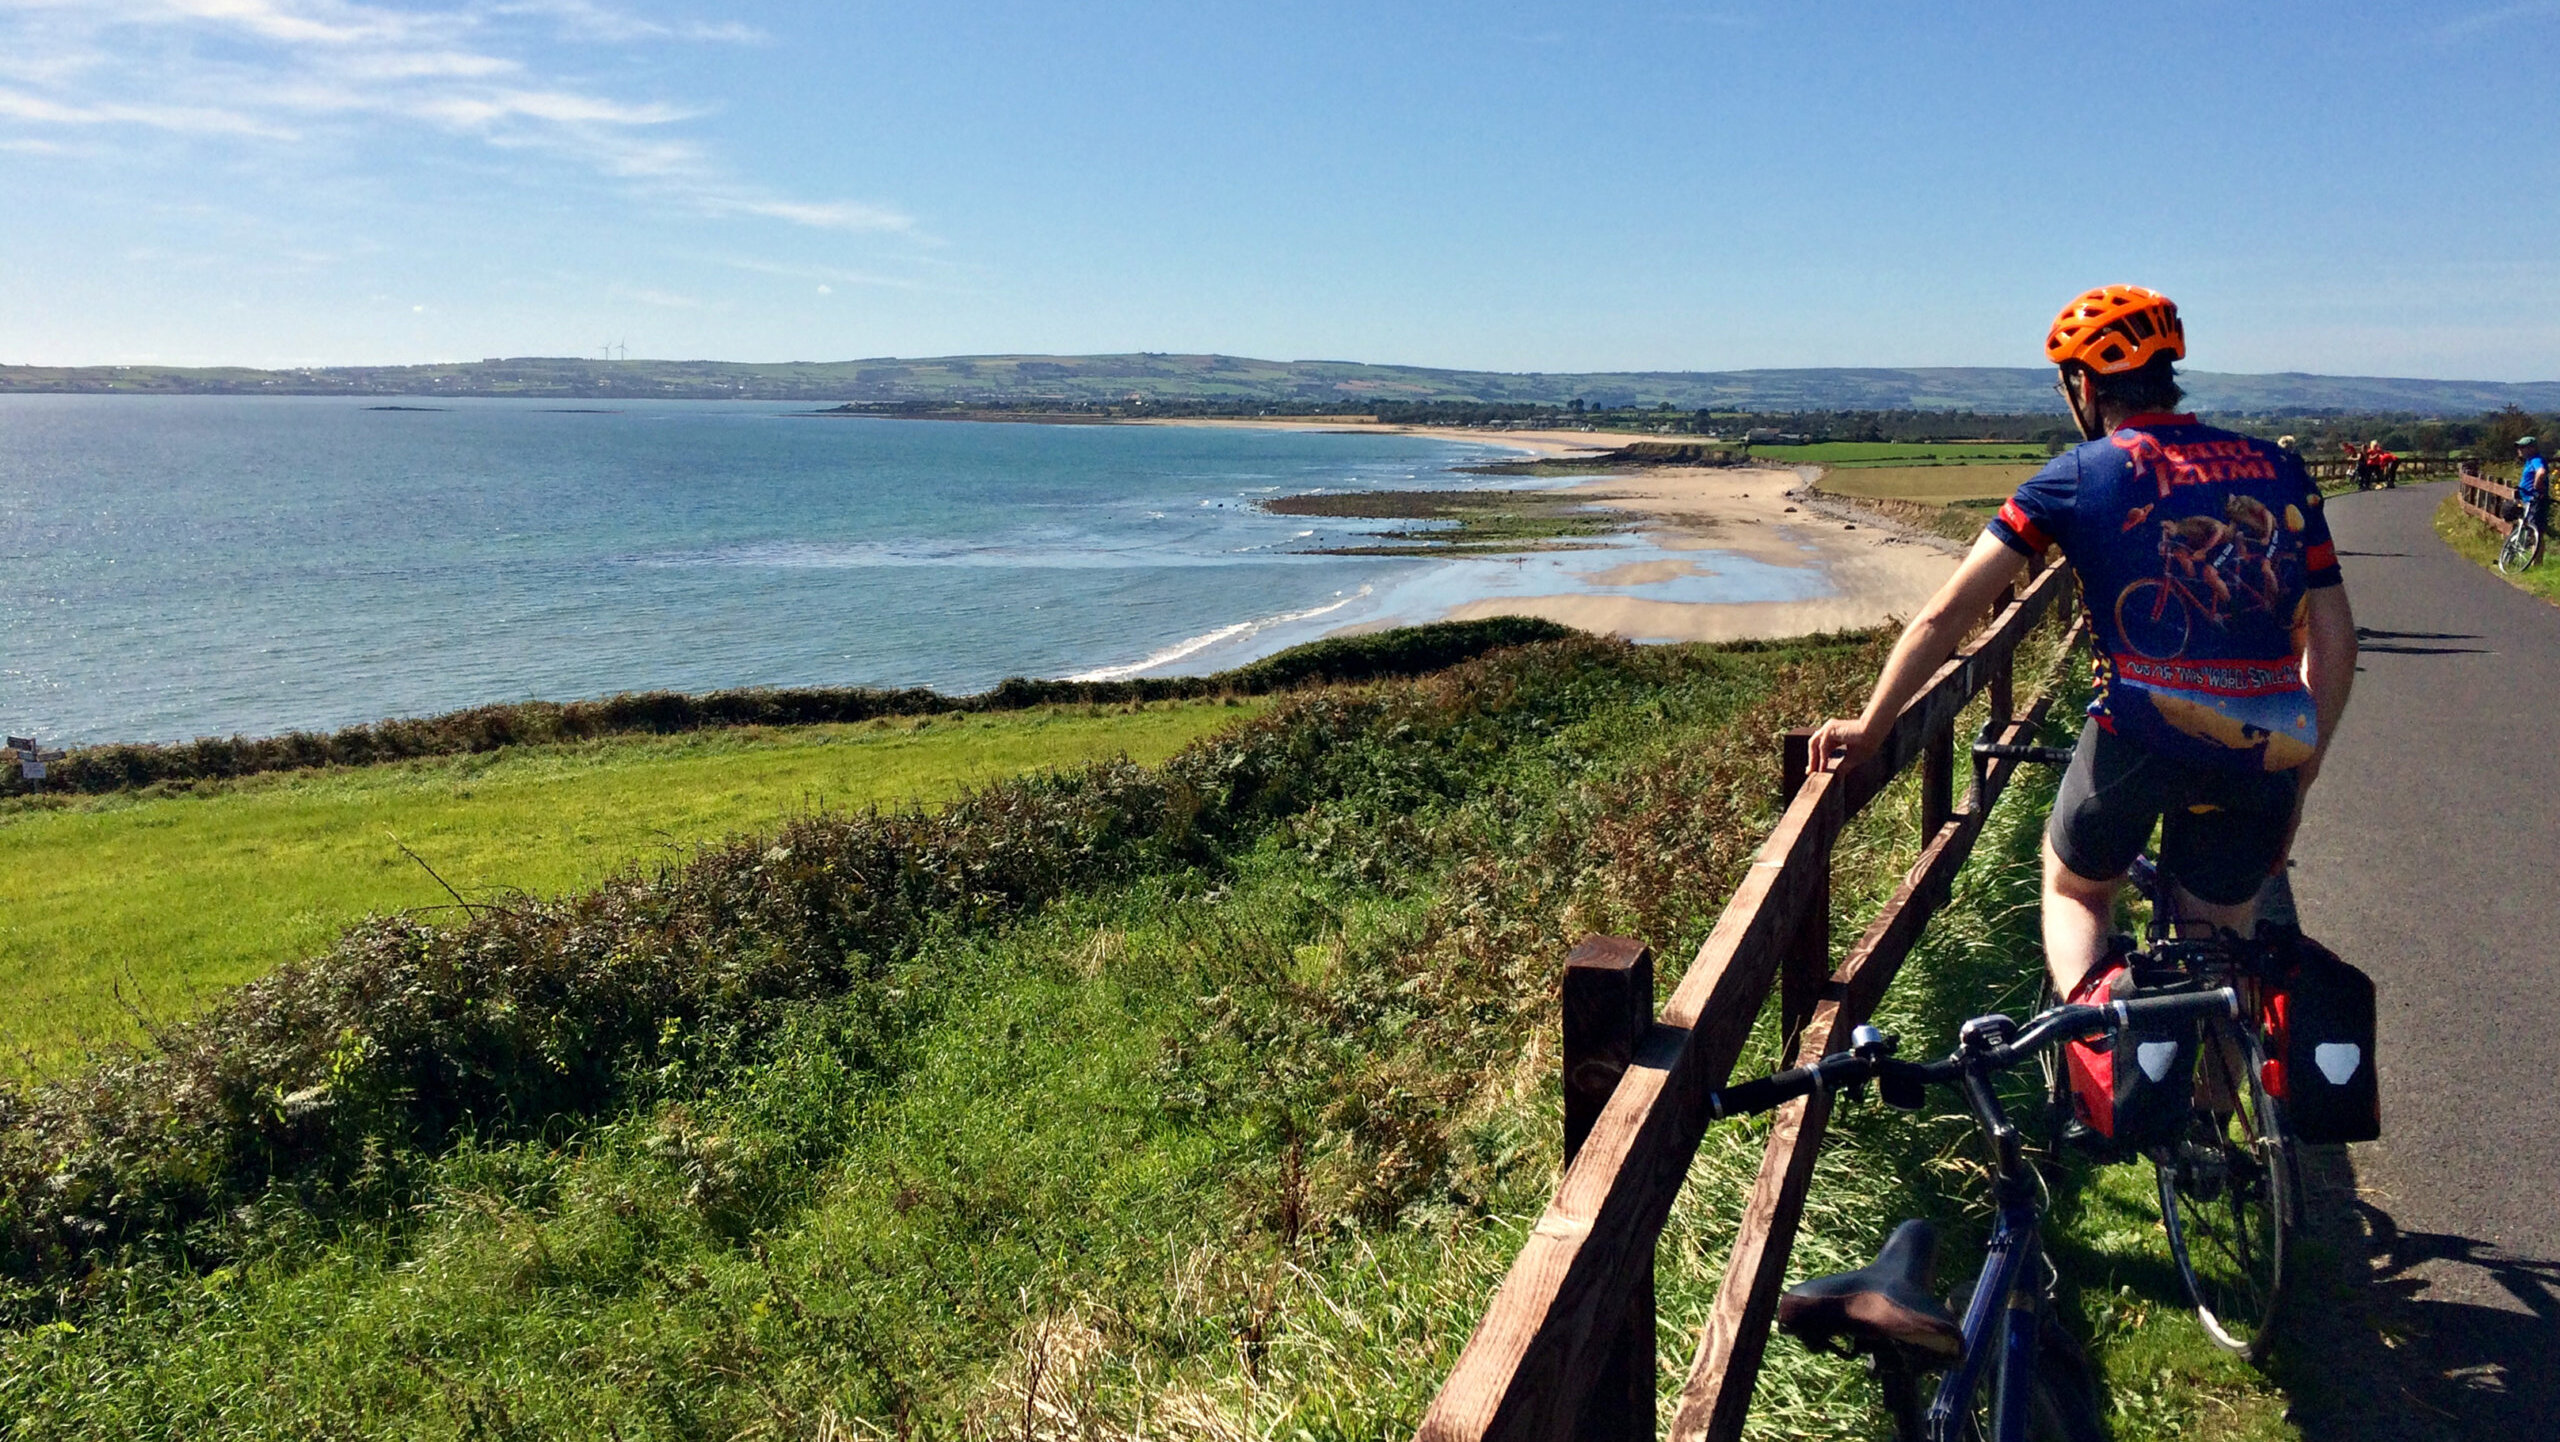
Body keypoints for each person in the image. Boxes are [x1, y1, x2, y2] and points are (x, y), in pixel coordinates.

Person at [1804, 286, 2359, 1001]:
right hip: (2265, 751)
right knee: (2222, 948)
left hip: (2136, 740)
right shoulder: (2278, 470)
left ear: (2085, 387)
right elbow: (2336, 642)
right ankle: (2224, 1097)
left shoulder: (2073, 478)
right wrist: (2300, 776)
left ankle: (2102, 1053)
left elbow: (1947, 614)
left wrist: (1873, 724)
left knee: (2076, 888)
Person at [2519, 435, 2549, 565]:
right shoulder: (2530, 460)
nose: (2519, 449)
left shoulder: (2537, 460)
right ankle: (2534, 562)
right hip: (2528, 499)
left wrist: (2537, 486)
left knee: (2536, 530)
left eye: (2522, 447)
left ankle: (2536, 563)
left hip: (2536, 500)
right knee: (2531, 529)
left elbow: (2541, 472)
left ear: (2531, 448)